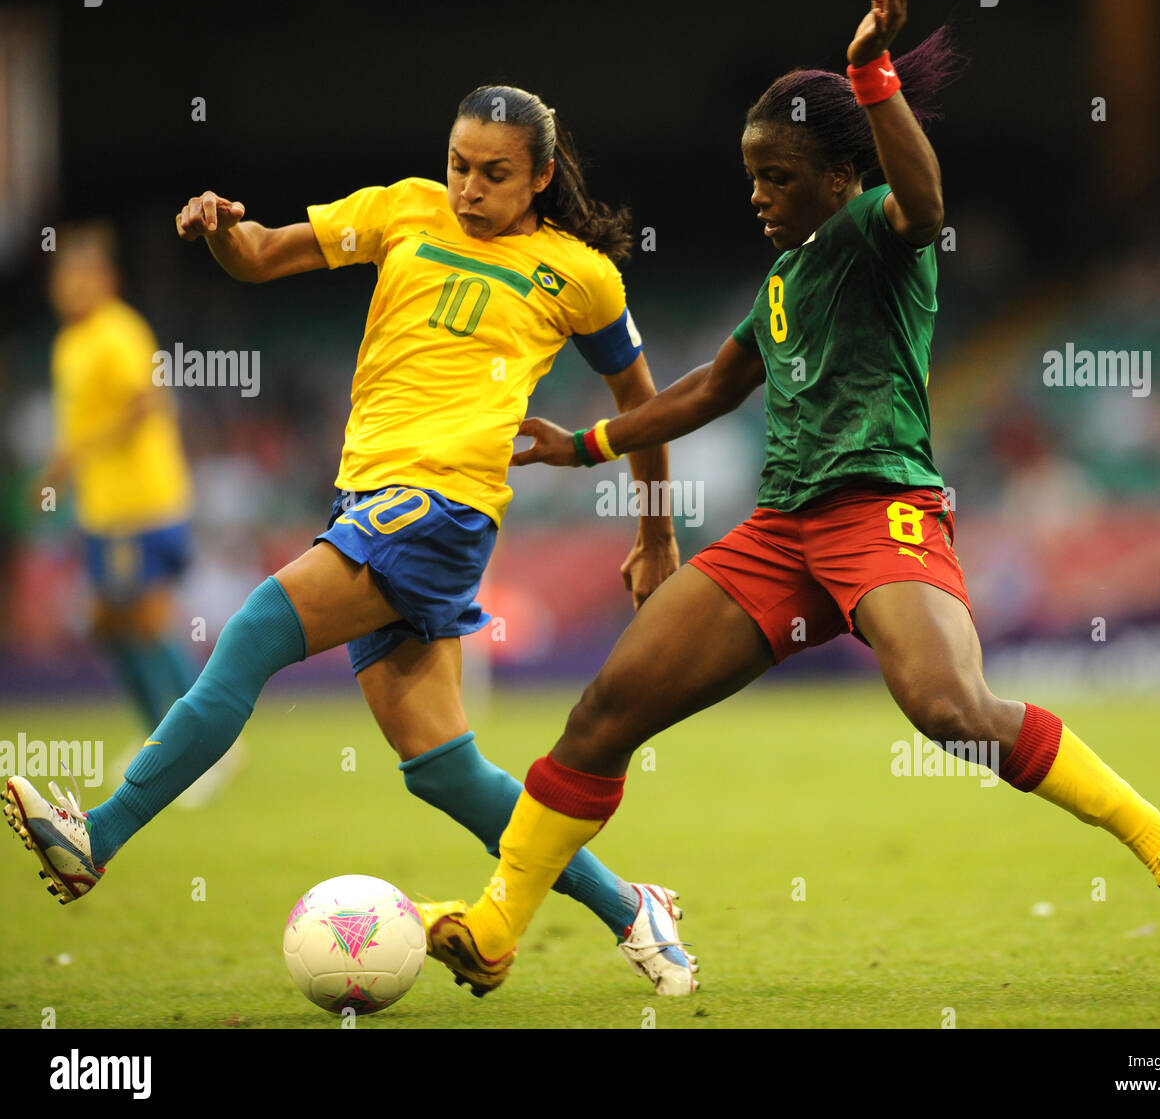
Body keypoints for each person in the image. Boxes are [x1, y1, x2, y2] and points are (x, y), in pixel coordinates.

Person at [416, 0, 1160, 997]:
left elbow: (926, 201)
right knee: (605, 711)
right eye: (750, 177)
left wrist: (872, 76)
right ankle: (497, 926)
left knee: (947, 708)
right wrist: (582, 442)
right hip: (778, 533)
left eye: (775, 177)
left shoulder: (876, 236)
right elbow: (711, 388)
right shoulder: (783, 277)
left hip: (877, 513)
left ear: (839, 176)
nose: (756, 196)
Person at [5, 85, 699, 996]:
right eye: (459, 164)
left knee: (253, 630)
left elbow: (642, 406)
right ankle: (632, 909)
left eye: (495, 174)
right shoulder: (401, 209)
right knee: (443, 770)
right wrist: (220, 229)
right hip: (368, 500)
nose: (469, 187)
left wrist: (656, 531)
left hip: (444, 507)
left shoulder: (579, 275)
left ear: (537, 179)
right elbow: (258, 256)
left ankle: (97, 835)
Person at [41, 223, 199, 733]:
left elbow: (144, 403)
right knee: (109, 625)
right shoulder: (70, 343)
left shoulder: (118, 330)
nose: (66, 288)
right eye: (61, 277)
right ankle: (156, 734)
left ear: (104, 279)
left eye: (76, 276)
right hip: (102, 510)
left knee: (147, 622)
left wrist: (76, 455)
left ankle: (204, 739)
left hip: (141, 504)